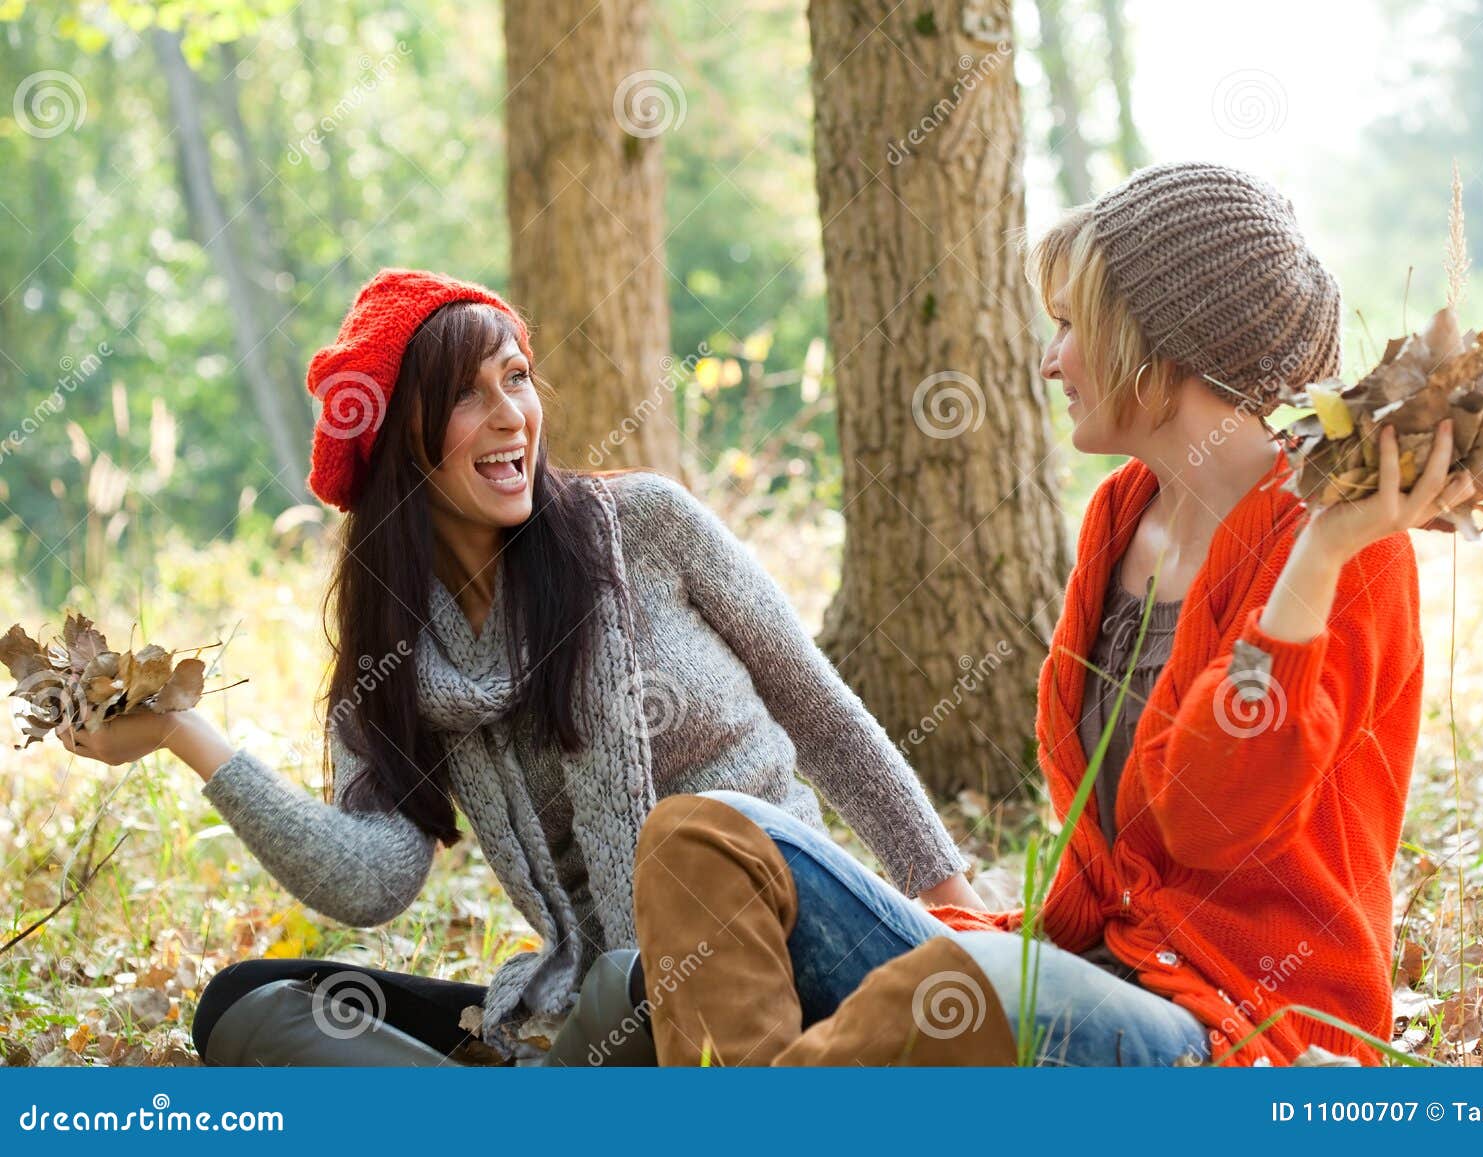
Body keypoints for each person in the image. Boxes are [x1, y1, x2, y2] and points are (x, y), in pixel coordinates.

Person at [608, 161, 1475, 1067]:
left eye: (1071, 324)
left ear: (1157, 340)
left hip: (1230, 1029)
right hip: (1069, 967)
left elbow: (1210, 818)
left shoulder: (1348, 547)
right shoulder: (1119, 517)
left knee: (951, 988)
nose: (1049, 356)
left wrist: (1314, 561)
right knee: (699, 835)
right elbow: (1099, 853)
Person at [54, 268, 979, 1066]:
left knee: (624, 984)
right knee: (245, 1000)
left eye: (519, 377)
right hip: (596, 998)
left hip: (754, 962)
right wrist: (184, 729)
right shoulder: (398, 657)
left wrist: (950, 904)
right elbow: (371, 877)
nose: (512, 417)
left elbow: (819, 713)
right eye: (468, 393)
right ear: (399, 442)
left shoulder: (647, 527)